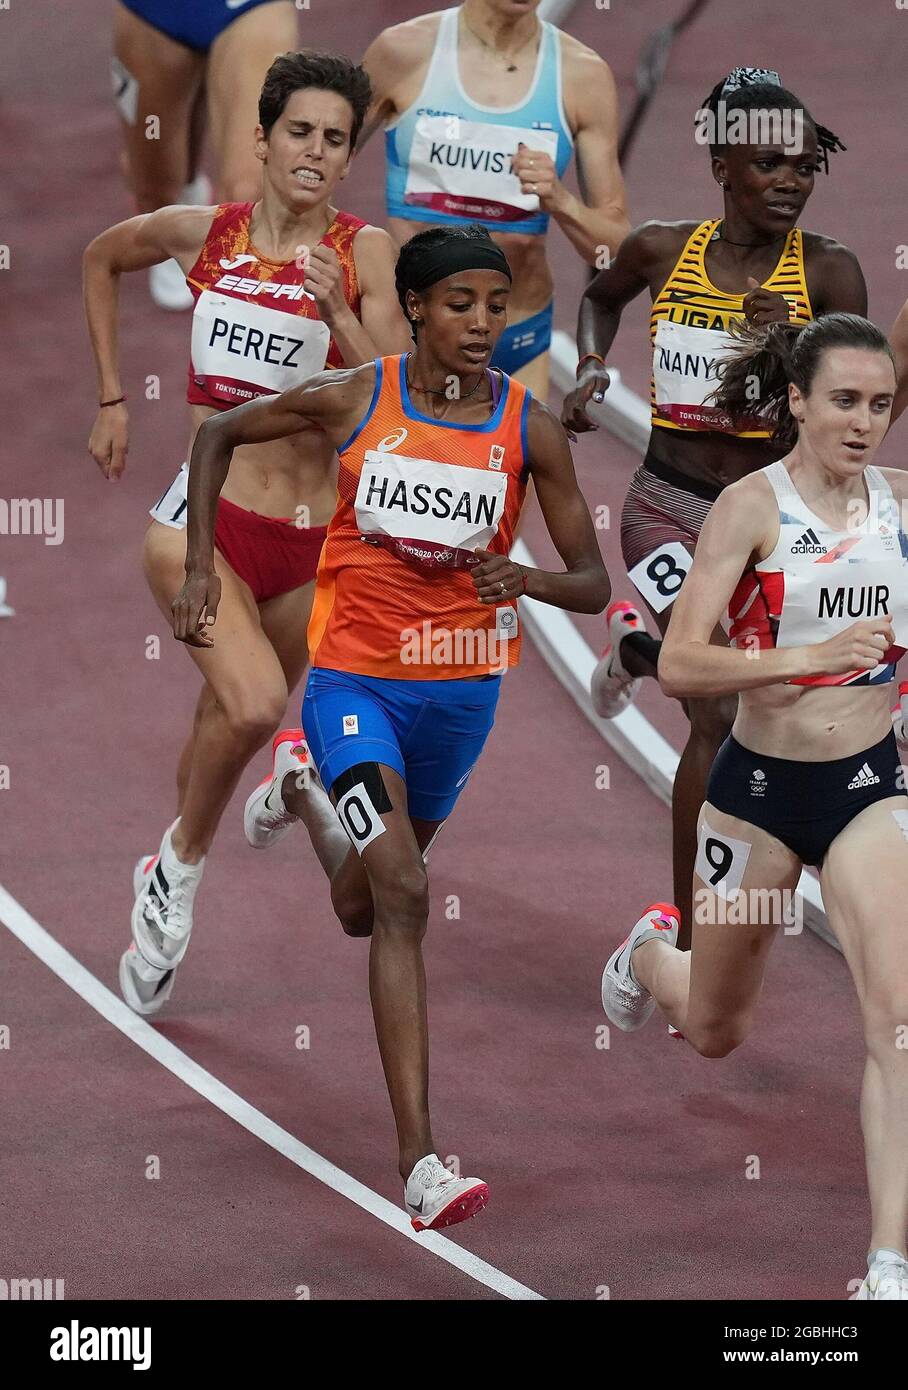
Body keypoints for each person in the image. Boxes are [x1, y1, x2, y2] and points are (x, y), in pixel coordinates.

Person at [175, 223, 610, 1228]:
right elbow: (213, 434)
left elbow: (589, 581)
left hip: (461, 696)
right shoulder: (356, 397)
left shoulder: (524, 427)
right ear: (413, 307)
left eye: (495, 308)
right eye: (459, 304)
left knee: (363, 908)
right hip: (354, 685)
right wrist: (202, 567)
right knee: (408, 892)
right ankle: (419, 1163)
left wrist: (530, 578)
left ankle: (297, 788)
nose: (481, 323)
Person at [83, 51, 412, 1015]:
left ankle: (177, 846)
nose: (315, 152)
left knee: (226, 719)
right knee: (258, 704)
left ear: (350, 156)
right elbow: (103, 256)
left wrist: (337, 312)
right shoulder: (207, 236)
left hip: (312, 544)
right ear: (262, 140)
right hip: (204, 519)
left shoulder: (367, 251)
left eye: (335, 139)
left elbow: (396, 397)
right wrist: (111, 397)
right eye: (299, 132)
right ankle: (178, 872)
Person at [602, 313, 908, 1300]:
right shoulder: (747, 507)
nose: (863, 423)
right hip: (756, 801)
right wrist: (797, 659)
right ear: (796, 403)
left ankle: (884, 1267)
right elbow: (685, 664)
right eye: (843, 403)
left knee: (895, 1018)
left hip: (866, 789)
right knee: (716, 1027)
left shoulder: (900, 508)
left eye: (878, 405)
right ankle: (651, 953)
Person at [561, 68, 867, 948]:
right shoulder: (661, 250)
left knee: (778, 695)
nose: (790, 183)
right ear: (722, 164)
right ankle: (688, 928)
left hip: (770, 519)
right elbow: (600, 294)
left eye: (806, 168)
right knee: (718, 710)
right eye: (771, 164)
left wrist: (791, 348)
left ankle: (642, 650)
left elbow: (852, 401)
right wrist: (590, 366)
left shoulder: (832, 272)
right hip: (667, 505)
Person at [359, 0, 629, 399]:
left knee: (513, 462)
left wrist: (561, 200)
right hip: (407, 331)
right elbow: (324, 160)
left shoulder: (581, 74)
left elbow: (615, 248)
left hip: (515, 335)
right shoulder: (402, 51)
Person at [112, 0, 299, 308]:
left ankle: (234, 315)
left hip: (251, 8)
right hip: (155, 11)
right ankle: (184, 193)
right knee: (153, 190)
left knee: (247, 188)